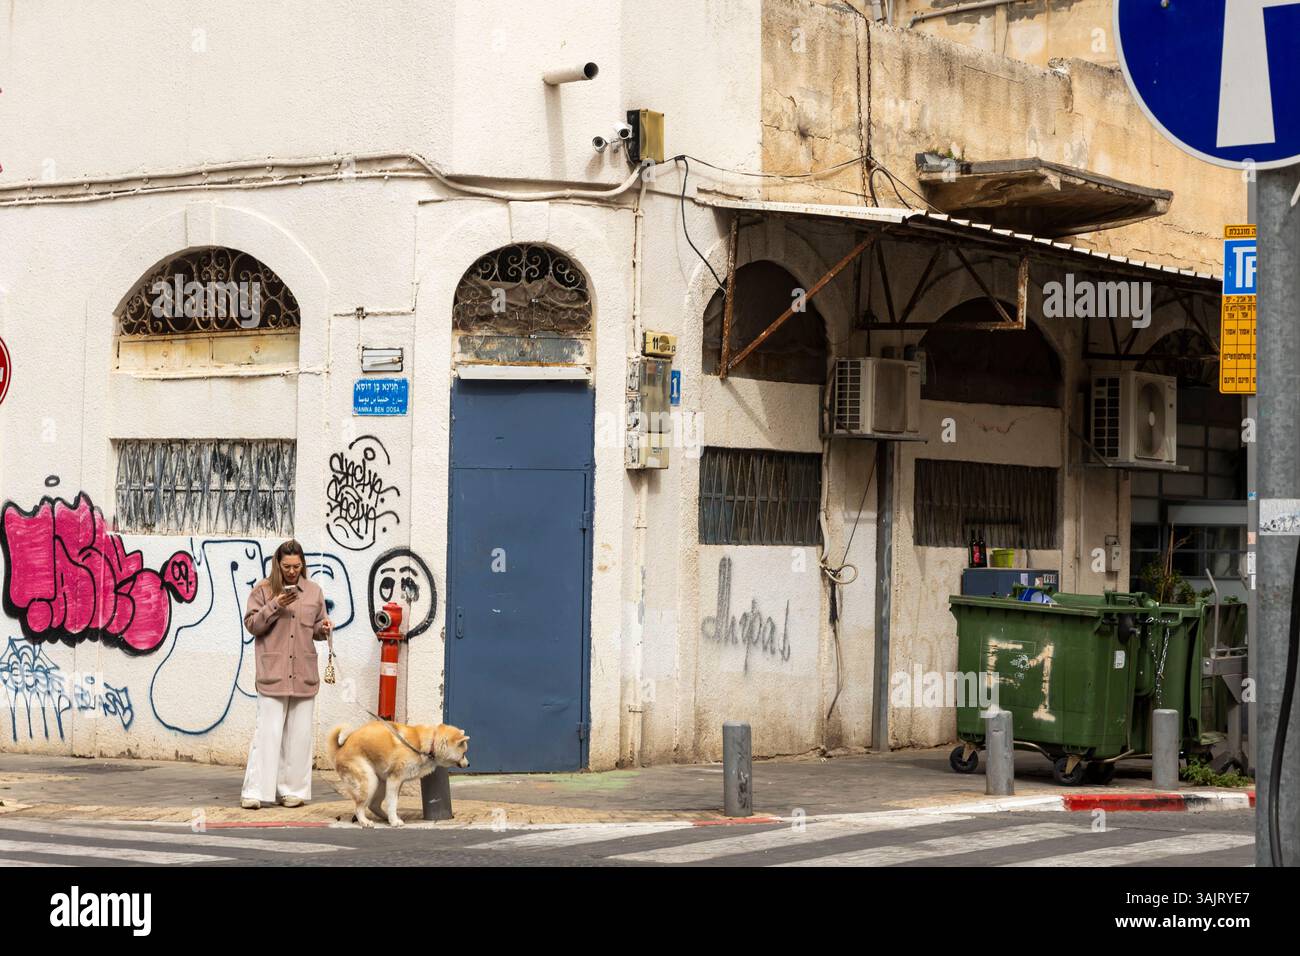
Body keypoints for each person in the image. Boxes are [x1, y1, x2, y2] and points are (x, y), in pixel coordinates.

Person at [240, 539, 333, 809]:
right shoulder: (263, 590)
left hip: (303, 671)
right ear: (277, 564)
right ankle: (255, 791)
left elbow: (314, 628)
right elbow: (252, 625)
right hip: (273, 671)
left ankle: (293, 790)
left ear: (303, 564)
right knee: (267, 733)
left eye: (297, 566)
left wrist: (323, 628)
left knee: (300, 736)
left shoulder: (314, 592)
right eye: (287, 566)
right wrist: (275, 605)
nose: (292, 571)